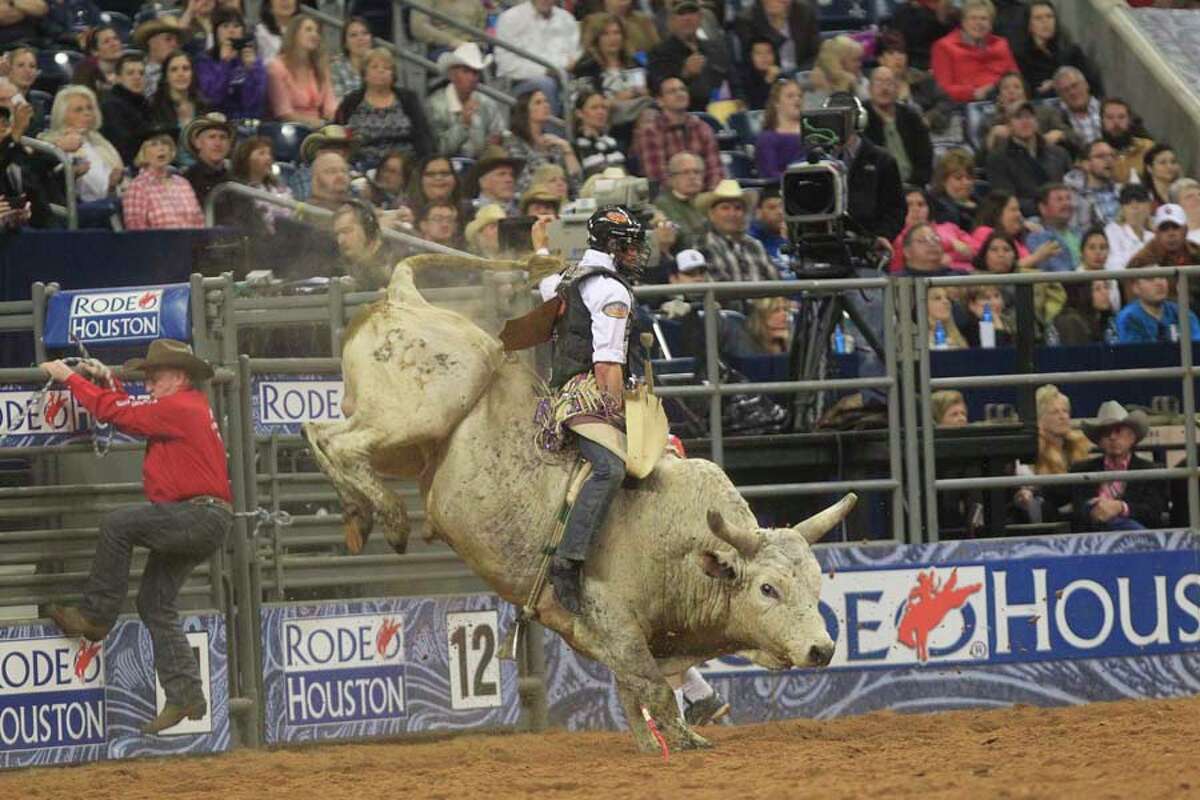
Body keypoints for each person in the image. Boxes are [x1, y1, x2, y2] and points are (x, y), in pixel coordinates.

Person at [39, 340, 233, 735]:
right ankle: (185, 695)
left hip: (194, 514)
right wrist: (107, 380)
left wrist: (72, 378)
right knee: (154, 603)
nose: (148, 384)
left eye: (155, 377)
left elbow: (121, 414)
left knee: (118, 524)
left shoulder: (178, 407)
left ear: (179, 377)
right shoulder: (185, 406)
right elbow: (132, 411)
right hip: (202, 516)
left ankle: (95, 616)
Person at [536, 205, 646, 613]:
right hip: (583, 390)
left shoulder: (570, 275)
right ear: (615, 246)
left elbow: (543, 284)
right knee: (611, 466)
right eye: (631, 247)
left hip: (561, 385)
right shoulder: (612, 291)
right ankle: (569, 560)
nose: (636, 255)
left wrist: (539, 247)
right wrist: (615, 411)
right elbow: (607, 363)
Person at [1070, 401, 1166, 531]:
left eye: (1118, 431)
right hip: (1093, 541)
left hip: (1137, 542)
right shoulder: (1081, 470)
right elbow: (1077, 511)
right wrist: (1094, 510)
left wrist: (1121, 507)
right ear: (1099, 441)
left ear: (1132, 437)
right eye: (1106, 432)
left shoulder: (1151, 472)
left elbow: (1154, 513)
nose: (1112, 437)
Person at [334, 47, 433, 171]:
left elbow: (423, 135)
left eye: (387, 68)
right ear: (365, 74)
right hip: (362, 165)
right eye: (374, 67)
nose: (381, 71)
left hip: (405, 166)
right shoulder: (352, 101)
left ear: (393, 74)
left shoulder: (408, 99)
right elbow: (336, 131)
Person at [827, 92, 906, 243]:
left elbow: (896, 209)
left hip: (868, 243)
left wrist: (883, 236)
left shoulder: (882, 160)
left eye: (846, 117)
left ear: (859, 120)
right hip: (823, 243)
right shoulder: (815, 160)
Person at [1013, 384, 1090, 524]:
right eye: (1055, 412)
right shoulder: (1029, 453)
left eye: (1065, 411)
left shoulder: (1079, 448)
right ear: (1039, 418)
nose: (1063, 417)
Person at [37, 85, 123, 206]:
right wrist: (74, 174)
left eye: (89, 108)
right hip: (77, 209)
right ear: (63, 114)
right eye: (79, 110)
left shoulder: (99, 141)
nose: (87, 113)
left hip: (109, 203)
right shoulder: (51, 143)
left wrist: (112, 187)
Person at [984, 100, 1071, 217]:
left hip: (1066, 215)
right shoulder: (997, 159)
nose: (1025, 121)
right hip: (1027, 220)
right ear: (1008, 125)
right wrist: (1046, 207)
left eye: (1029, 116)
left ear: (1036, 122)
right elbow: (1005, 201)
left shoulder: (1058, 153)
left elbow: (1073, 186)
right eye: (1018, 117)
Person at [632, 76, 721, 190]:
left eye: (683, 89)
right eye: (672, 91)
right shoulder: (651, 131)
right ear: (660, 101)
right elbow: (656, 177)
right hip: (668, 201)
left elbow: (715, 171)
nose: (680, 94)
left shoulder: (702, 128)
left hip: (703, 198)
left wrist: (708, 198)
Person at [646, 0, 734, 112]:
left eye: (692, 12)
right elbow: (656, 89)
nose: (687, 18)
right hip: (687, 114)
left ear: (700, 17)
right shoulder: (659, 54)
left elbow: (734, 81)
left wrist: (741, 101)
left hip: (724, 110)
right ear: (671, 20)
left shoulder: (716, 48)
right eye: (681, 14)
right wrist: (684, 74)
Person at [494, 0, 579, 112]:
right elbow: (507, 65)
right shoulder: (510, 19)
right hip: (520, 84)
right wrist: (545, 70)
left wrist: (557, 68)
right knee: (546, 84)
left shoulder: (566, 19)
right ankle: (552, 129)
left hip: (563, 78)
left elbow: (573, 57)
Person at [426, 42, 506, 160]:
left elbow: (499, 134)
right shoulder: (435, 104)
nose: (472, 78)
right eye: (466, 71)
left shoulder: (487, 103)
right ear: (452, 74)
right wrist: (463, 124)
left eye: (475, 73)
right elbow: (437, 150)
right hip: (448, 169)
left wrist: (497, 142)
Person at [930, 0, 1019, 103]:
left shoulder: (1001, 44)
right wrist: (974, 93)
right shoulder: (944, 47)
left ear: (991, 24)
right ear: (963, 22)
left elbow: (1015, 76)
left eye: (984, 19)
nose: (979, 23)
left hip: (1004, 101)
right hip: (967, 103)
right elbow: (943, 89)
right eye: (973, 18)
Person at [571, 13, 650, 127]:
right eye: (605, 34)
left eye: (616, 33)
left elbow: (647, 93)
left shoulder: (634, 63)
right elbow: (584, 105)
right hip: (606, 125)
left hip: (640, 121)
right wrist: (617, 99)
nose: (612, 38)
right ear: (596, 39)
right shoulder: (585, 68)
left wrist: (638, 93)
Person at [977, 71, 1076, 159]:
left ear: (1025, 95)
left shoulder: (1046, 113)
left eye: (1017, 87)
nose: (1011, 91)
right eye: (1005, 88)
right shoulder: (989, 121)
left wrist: (1060, 134)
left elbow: (1076, 139)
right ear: (999, 97)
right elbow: (979, 161)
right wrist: (992, 136)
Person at [1012, 0, 1101, 98]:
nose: (1045, 21)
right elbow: (1028, 93)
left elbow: (1093, 83)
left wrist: (1056, 83)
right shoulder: (1021, 57)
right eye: (1038, 18)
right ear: (1028, 25)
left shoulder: (1072, 52)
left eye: (1049, 16)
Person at [122, 124, 204, 229]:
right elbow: (136, 232)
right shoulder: (137, 187)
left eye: (165, 143)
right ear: (143, 152)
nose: (161, 148)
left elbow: (199, 221)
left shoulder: (183, 183)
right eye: (154, 144)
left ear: (171, 150)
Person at [864, 66, 934, 187]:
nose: (884, 88)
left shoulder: (911, 117)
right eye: (879, 82)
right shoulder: (861, 118)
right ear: (869, 88)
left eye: (889, 83)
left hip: (913, 186)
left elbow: (925, 157)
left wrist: (914, 184)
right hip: (877, 188)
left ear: (897, 89)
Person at [194, 7, 267, 121]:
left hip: (248, 123)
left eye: (236, 26)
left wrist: (252, 70)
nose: (231, 31)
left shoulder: (253, 60)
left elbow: (255, 104)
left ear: (243, 31)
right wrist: (225, 64)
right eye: (225, 26)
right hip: (217, 122)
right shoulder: (204, 61)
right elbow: (214, 100)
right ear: (215, 31)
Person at [699, 180, 779, 283]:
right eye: (725, 208)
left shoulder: (755, 245)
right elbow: (720, 289)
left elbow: (776, 282)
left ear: (745, 214)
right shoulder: (704, 245)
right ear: (711, 214)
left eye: (738, 208)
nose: (732, 214)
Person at [505, 89, 581, 195]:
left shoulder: (554, 143)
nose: (546, 105)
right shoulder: (514, 143)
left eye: (546, 101)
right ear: (525, 110)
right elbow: (524, 183)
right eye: (538, 103)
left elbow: (576, 184)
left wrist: (567, 148)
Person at [266, 14, 336, 128]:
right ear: (293, 34)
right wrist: (320, 124)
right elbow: (284, 113)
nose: (315, 35)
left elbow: (330, 106)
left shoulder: (321, 67)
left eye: (317, 31)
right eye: (308, 30)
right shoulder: (276, 67)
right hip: (289, 130)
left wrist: (335, 119)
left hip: (320, 131)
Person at [893, 186, 974, 272]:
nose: (916, 209)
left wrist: (951, 256)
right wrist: (950, 244)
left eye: (921, 204)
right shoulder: (895, 236)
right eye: (908, 205)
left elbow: (976, 252)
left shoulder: (950, 227)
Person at [735, 0, 819, 76]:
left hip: (802, 77)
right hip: (767, 81)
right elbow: (753, 62)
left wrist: (798, 79)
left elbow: (816, 54)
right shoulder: (746, 20)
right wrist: (775, 23)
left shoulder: (805, 12)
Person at [230, 134, 293, 234]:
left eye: (269, 154)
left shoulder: (280, 189)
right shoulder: (237, 190)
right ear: (245, 158)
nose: (268, 158)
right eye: (261, 153)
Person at [333, 198, 401, 290]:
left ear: (368, 229)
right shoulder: (340, 269)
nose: (340, 240)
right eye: (338, 234)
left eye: (347, 231)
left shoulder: (398, 261)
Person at [1115, 271, 1200, 344]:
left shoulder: (1181, 312)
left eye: (1162, 277)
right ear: (1135, 287)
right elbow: (1133, 355)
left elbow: (1196, 346)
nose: (1159, 283)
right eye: (1150, 279)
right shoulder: (1129, 317)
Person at [101, 53, 152, 166]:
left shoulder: (145, 104)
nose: (137, 77)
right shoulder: (111, 106)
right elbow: (124, 147)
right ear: (118, 78)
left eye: (141, 73)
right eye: (130, 73)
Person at [1125, 203, 1200, 277]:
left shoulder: (1196, 253)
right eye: (1164, 228)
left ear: (1185, 230)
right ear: (1156, 233)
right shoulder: (1142, 260)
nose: (1171, 234)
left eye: (1175, 227)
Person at [651, 151, 706, 246]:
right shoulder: (663, 204)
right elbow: (684, 236)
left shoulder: (706, 202)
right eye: (685, 172)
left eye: (696, 172)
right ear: (672, 178)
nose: (692, 177)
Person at [1064, 139, 1120, 233]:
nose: (1109, 160)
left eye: (1112, 155)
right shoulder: (1073, 195)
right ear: (1085, 164)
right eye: (1101, 156)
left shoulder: (1121, 191)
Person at [755, 78, 805, 181]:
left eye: (800, 96)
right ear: (776, 103)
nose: (797, 99)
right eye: (790, 96)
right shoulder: (767, 138)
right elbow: (769, 174)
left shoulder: (812, 134)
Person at [181, 112, 233, 208]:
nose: (218, 143)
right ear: (197, 143)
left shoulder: (235, 180)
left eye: (223, 137)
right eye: (212, 137)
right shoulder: (186, 181)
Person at [150, 51, 210, 132]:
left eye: (185, 69)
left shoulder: (204, 106)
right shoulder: (154, 106)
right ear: (166, 77)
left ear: (192, 74)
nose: (180, 74)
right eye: (174, 70)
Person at [1026, 182, 1079, 272]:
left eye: (1068, 198)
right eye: (1059, 199)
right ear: (1043, 208)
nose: (1066, 203)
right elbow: (1052, 268)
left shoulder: (1081, 232)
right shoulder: (1036, 236)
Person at [573, 90, 626, 179]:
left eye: (603, 108)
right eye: (594, 108)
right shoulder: (576, 145)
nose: (601, 112)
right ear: (580, 113)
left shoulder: (612, 142)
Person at [1100, 98, 1154, 185]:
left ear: (1129, 120)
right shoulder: (1094, 154)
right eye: (1109, 117)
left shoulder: (1148, 148)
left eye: (1121, 117)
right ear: (1102, 121)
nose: (1116, 122)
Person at [1104, 183, 1154, 271]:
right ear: (1122, 208)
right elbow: (1113, 266)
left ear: (1148, 206)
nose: (1134, 206)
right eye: (1128, 201)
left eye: (1139, 200)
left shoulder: (1152, 237)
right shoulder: (1112, 231)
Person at [134, 15, 185, 100]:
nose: (174, 44)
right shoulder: (138, 74)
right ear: (151, 42)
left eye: (177, 41)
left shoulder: (186, 70)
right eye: (168, 39)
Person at [1051, 66, 1100, 149]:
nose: (1072, 92)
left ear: (1086, 85)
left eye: (1075, 86)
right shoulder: (1057, 120)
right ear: (1060, 96)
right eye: (1066, 90)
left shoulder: (1107, 108)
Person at [466, 145, 523, 214]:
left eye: (512, 175)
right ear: (483, 182)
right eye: (501, 174)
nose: (510, 179)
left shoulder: (522, 210)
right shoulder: (468, 212)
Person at [409, 0, 485, 52]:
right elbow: (418, 27)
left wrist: (477, 45)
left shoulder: (476, 3)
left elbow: (480, 28)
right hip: (442, 48)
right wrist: (452, 41)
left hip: (471, 48)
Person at [929, 148, 977, 231]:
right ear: (943, 180)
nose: (966, 183)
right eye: (958, 178)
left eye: (969, 178)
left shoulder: (982, 203)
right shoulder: (939, 209)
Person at [810, 35, 868, 102]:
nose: (860, 64)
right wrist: (843, 85)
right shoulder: (816, 81)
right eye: (855, 60)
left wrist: (855, 85)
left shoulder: (860, 79)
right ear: (839, 61)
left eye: (860, 60)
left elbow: (867, 103)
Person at [329, 16, 371, 103]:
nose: (360, 38)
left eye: (365, 33)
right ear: (345, 44)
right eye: (353, 35)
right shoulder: (336, 68)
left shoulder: (380, 65)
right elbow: (340, 105)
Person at [70, 24, 122, 94]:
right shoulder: (84, 71)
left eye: (115, 39)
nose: (114, 44)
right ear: (94, 51)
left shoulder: (129, 65)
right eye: (106, 41)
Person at [749, 184, 789, 273]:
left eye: (783, 206)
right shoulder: (751, 241)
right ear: (758, 213)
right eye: (772, 207)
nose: (780, 212)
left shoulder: (798, 238)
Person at [741, 38, 781, 111]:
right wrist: (768, 81)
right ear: (750, 57)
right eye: (758, 53)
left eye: (768, 52)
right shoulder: (743, 79)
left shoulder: (781, 77)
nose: (764, 57)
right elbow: (756, 107)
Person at [1142, 144, 1182, 209]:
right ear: (1149, 168)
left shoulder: (1183, 192)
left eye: (1173, 162)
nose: (1169, 166)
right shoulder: (1145, 197)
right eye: (1162, 162)